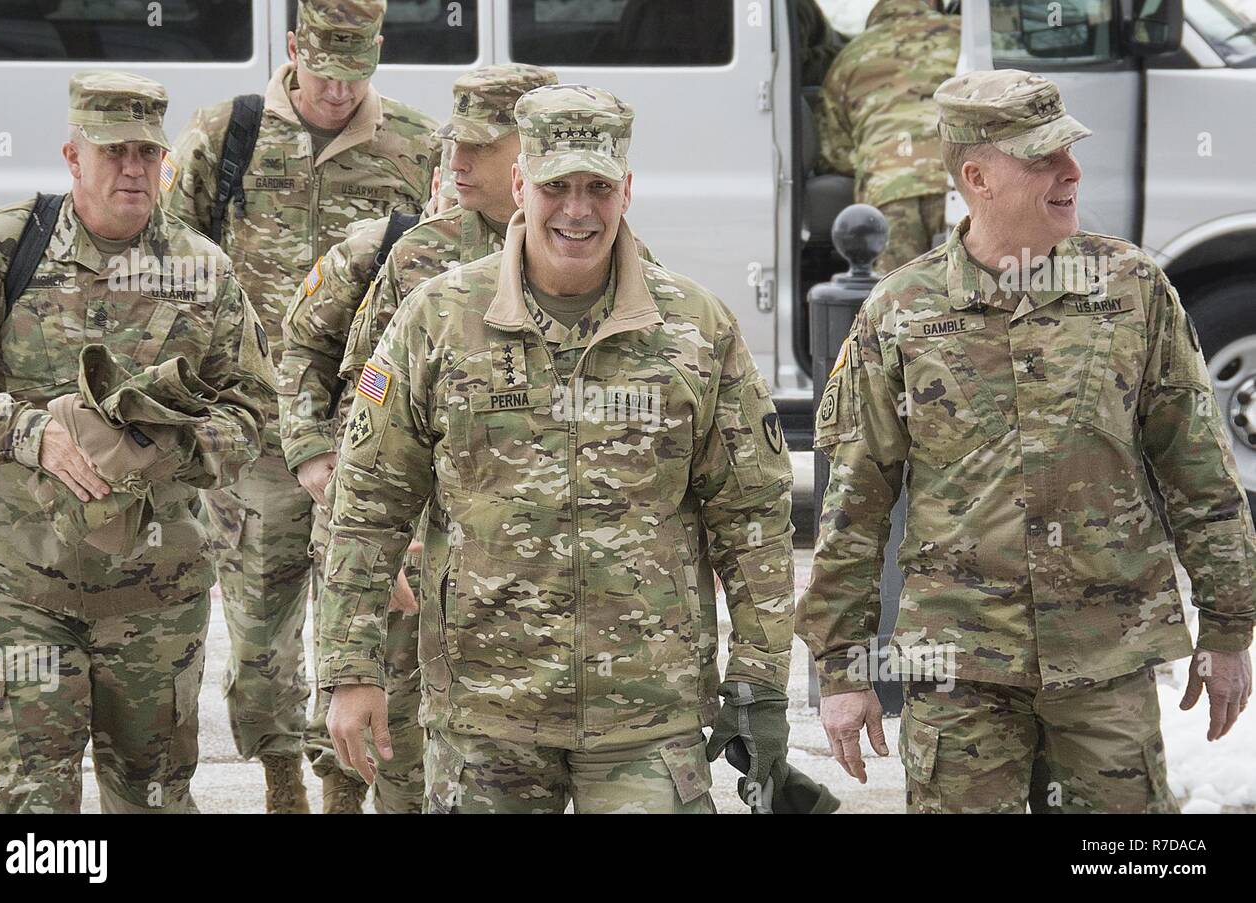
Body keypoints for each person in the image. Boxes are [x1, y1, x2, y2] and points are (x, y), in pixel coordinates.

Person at [321, 84, 796, 813]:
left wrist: (759, 679)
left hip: (646, 718)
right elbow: (368, 505)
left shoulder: (696, 329)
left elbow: (753, 515)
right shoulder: (438, 320)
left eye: (598, 187)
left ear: (627, 191)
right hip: (485, 717)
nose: (578, 210)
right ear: (520, 185)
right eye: (556, 186)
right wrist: (351, 671)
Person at [797, 69, 1256, 813]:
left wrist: (1230, 625)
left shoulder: (1132, 289)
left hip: (1107, 658)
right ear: (976, 176)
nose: (1071, 172)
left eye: (1068, 152)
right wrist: (844, 668)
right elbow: (854, 505)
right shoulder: (902, 311)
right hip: (960, 669)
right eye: (1043, 158)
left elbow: (1198, 466)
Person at [0, 71, 273, 813]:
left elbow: (255, 410)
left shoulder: (204, 272)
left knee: (154, 797)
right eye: (115, 152)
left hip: (154, 600)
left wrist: (178, 449)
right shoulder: (2, 251)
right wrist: (30, 431)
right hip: (22, 590)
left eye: (148, 153)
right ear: (73, 156)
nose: (135, 169)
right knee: (33, 809)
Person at [161, 0, 438, 811]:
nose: (337, 92)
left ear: (377, 57)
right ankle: (278, 768)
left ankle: (340, 787)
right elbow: (167, 254)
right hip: (255, 434)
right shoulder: (228, 135)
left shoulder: (417, 147)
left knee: (364, 623)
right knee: (256, 636)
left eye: (356, 75)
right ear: (291, 50)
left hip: (367, 433)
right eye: (323, 72)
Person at [279, 62, 557, 813]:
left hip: (530, 576)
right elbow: (365, 401)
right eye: (450, 146)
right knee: (397, 752)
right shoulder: (415, 254)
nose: (454, 164)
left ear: (532, 152)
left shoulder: (594, 255)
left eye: (477, 148)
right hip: (415, 553)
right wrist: (346, 503)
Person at [817, 0, 959, 272]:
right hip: (959, 183)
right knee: (969, 294)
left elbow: (834, 153)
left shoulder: (851, 55)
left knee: (898, 297)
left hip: (888, 191)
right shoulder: (962, 36)